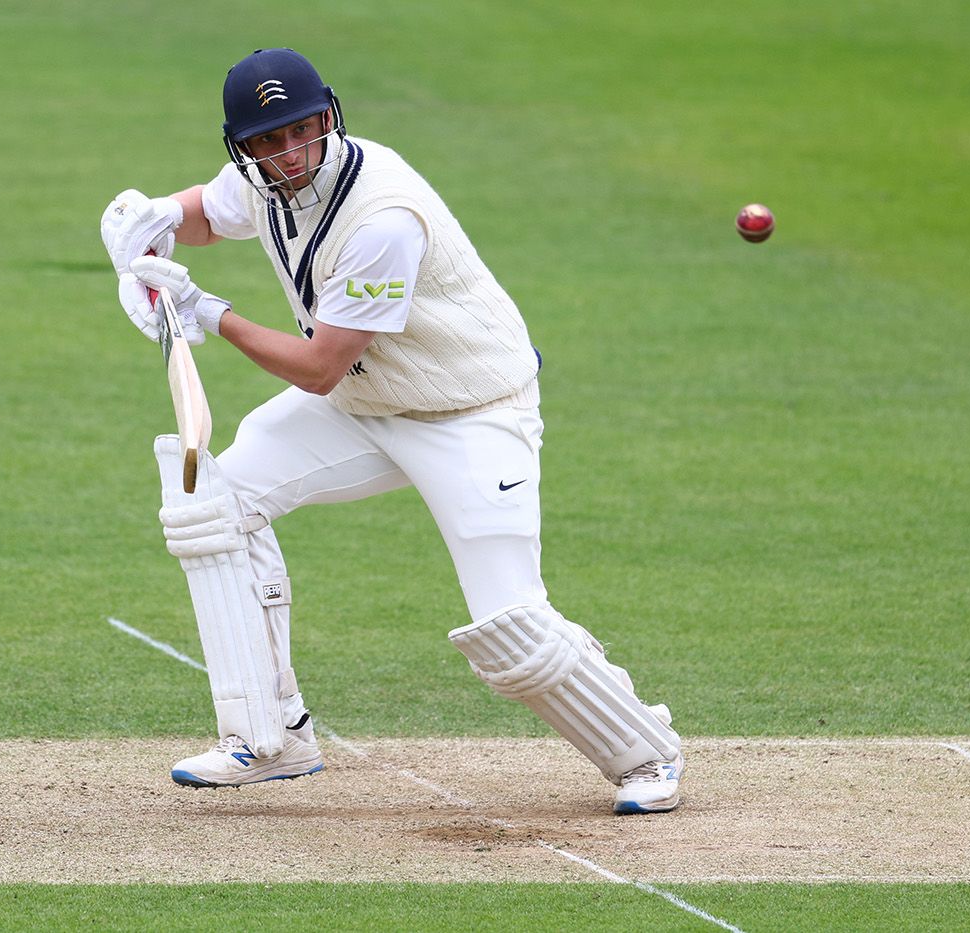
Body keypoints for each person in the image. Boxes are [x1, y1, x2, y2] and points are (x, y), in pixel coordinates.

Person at [100, 48, 683, 814]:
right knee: (213, 504)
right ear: (243, 147)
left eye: (301, 130)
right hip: (367, 408)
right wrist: (155, 224)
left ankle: (647, 752)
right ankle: (270, 737)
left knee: (511, 628)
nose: (288, 154)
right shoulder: (262, 179)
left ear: (329, 118)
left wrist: (204, 311)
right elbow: (212, 213)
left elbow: (319, 366)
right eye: (267, 142)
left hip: (469, 415)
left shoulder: (383, 218)